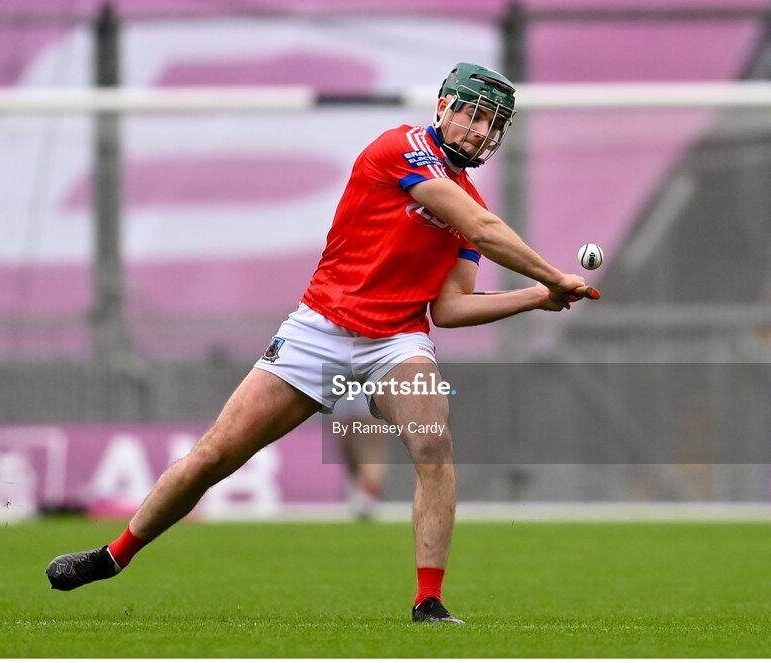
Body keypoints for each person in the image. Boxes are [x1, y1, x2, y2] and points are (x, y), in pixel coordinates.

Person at [46, 62, 598, 624]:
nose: (479, 132)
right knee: (215, 456)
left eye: (491, 124)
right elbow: (484, 230)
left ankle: (427, 601)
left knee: (434, 448)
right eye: (472, 115)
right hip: (320, 330)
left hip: (397, 340)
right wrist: (555, 276)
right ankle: (114, 556)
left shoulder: (470, 201)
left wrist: (533, 297)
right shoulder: (401, 148)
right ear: (443, 108)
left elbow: (449, 308)